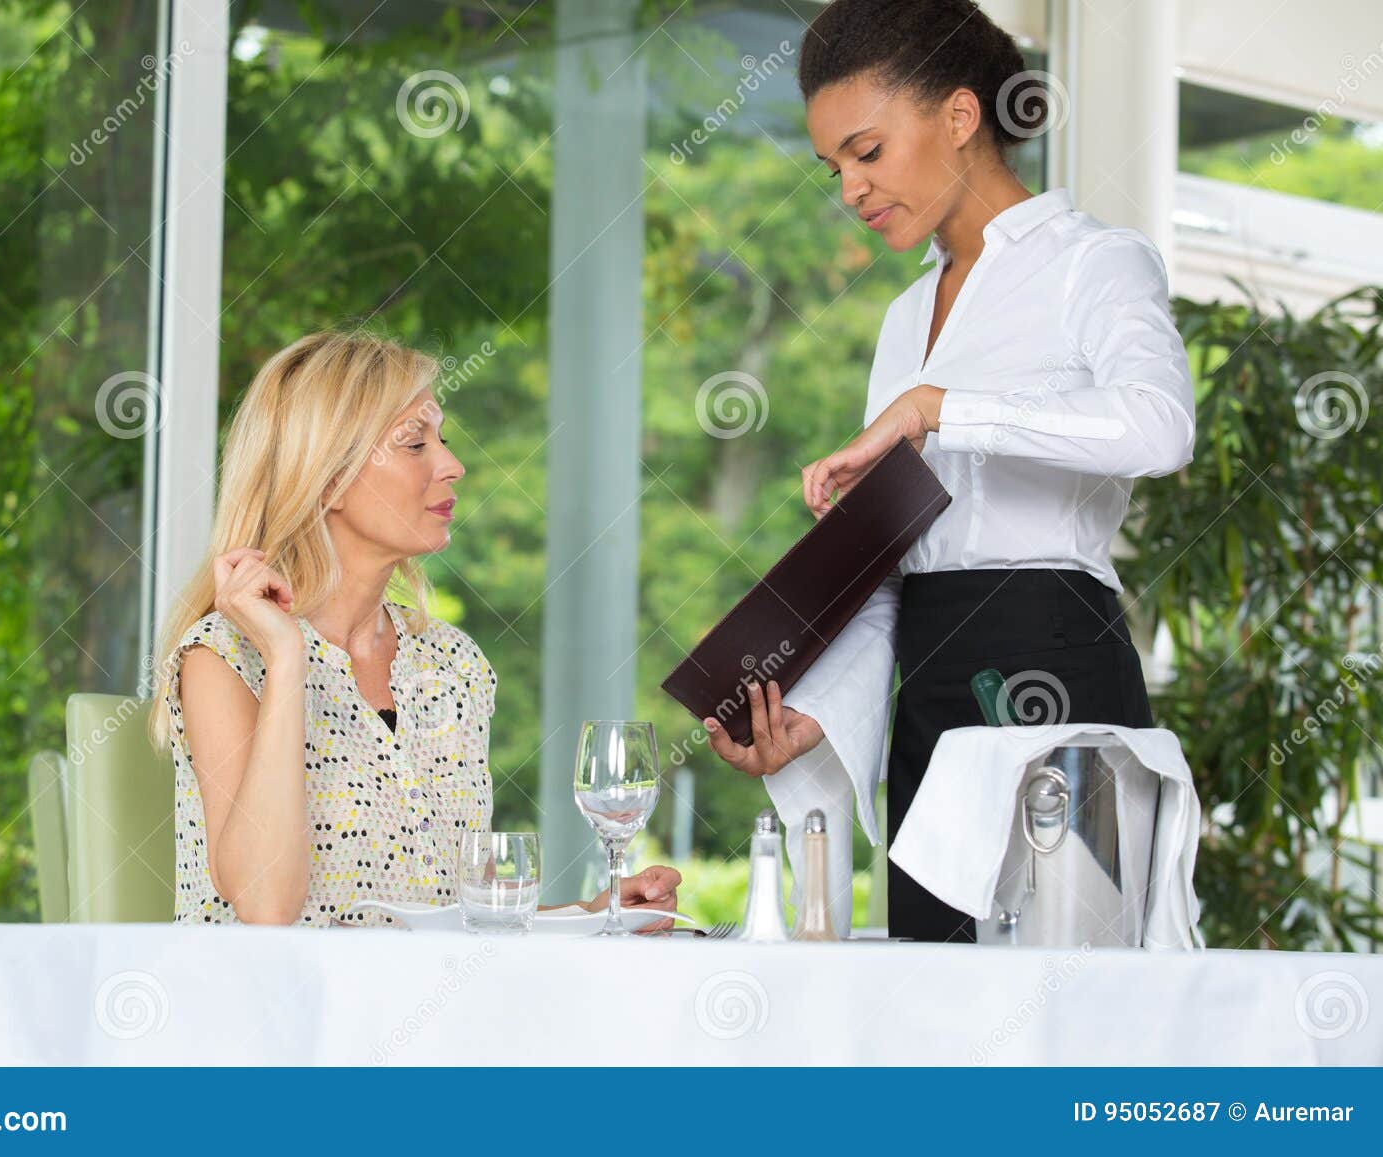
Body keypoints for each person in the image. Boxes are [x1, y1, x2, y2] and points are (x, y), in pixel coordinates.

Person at [703, 0, 1195, 942]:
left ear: (960, 118)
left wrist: (944, 408)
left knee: (1068, 1000)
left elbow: (1160, 427)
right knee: (931, 1006)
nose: (849, 187)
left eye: (867, 151)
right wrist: (822, 713)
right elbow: (898, 562)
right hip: (927, 680)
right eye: (833, 167)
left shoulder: (1095, 264)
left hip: (1056, 656)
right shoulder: (903, 319)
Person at [150, 331, 681, 928]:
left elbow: (453, 917)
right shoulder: (222, 657)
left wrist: (593, 913)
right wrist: (286, 656)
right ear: (327, 478)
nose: (452, 465)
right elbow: (267, 908)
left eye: (442, 440)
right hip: (280, 1015)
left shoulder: (453, 666)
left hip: (426, 1012)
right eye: (413, 444)